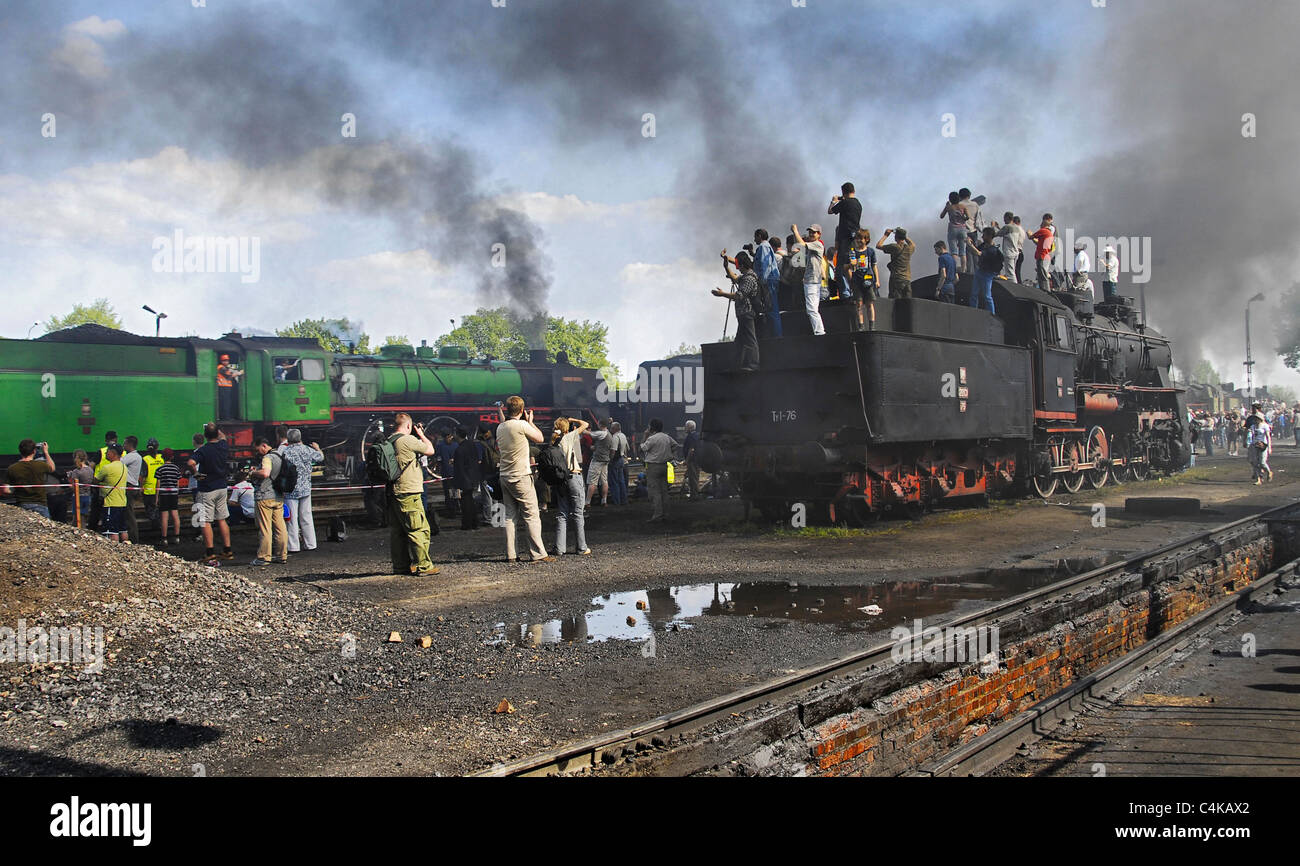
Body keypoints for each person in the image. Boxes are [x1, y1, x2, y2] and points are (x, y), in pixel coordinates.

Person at [495, 397, 551, 562]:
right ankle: (538, 553)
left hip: (504, 475)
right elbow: (540, 438)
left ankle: (511, 554)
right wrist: (531, 422)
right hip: (521, 476)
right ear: (521, 410)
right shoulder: (521, 425)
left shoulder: (500, 427)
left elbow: (505, 423)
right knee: (531, 514)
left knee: (510, 516)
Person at [386, 413, 439, 575]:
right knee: (418, 528)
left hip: (392, 491)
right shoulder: (407, 440)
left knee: (398, 532)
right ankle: (424, 566)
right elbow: (430, 450)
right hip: (408, 490)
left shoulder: (388, 440)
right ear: (408, 426)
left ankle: (400, 566)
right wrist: (421, 434)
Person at [188, 423, 234, 561]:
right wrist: (216, 429)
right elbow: (223, 436)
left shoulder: (203, 450)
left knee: (205, 520)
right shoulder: (223, 446)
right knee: (222, 518)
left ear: (205, 436)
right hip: (222, 487)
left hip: (207, 488)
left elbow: (190, 463)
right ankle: (227, 550)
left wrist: (195, 474)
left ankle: (210, 552)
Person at [276, 429, 324, 553]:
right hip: (306, 488)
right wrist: (317, 448)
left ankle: (293, 546)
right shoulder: (307, 449)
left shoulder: (285, 451)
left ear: (288, 439)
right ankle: (311, 543)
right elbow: (320, 457)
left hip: (290, 489)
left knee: (291, 519)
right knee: (307, 516)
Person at [715, 250, 762, 370]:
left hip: (747, 312)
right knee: (739, 342)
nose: (737, 268)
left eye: (737, 265)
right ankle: (736, 365)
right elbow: (735, 278)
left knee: (750, 340)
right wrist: (726, 267)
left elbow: (739, 296)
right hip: (743, 313)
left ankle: (753, 364)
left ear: (742, 265)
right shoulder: (746, 277)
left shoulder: (749, 279)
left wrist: (722, 294)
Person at [552, 417, 592, 555]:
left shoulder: (554, 441)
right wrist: (572, 419)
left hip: (560, 480)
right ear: (566, 428)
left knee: (562, 513)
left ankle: (559, 548)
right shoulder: (568, 437)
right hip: (573, 476)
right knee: (577, 513)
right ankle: (581, 547)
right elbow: (586, 424)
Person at [247, 437, 288, 566]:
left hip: (265, 496)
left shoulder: (267, 458)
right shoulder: (280, 455)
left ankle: (264, 557)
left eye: (258, 449)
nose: (257, 452)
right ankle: (282, 555)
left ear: (264, 446)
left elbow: (265, 473)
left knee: (265, 528)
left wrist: (252, 473)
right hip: (278, 496)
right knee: (280, 528)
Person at [640, 418, 678, 523]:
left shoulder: (652, 438)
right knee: (664, 491)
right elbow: (675, 445)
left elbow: (643, 448)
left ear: (652, 427)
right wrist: (672, 456)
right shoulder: (667, 437)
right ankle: (666, 514)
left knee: (655, 492)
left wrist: (645, 436)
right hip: (665, 465)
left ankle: (657, 515)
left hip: (653, 467)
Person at [791, 223, 826, 335]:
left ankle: (819, 332)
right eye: (810, 232)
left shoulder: (818, 244)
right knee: (812, 309)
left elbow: (801, 244)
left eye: (813, 232)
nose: (811, 234)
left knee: (811, 310)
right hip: (811, 280)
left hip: (812, 281)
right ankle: (819, 331)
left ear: (819, 234)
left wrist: (795, 231)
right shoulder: (813, 247)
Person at [5, 439, 55, 518]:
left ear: (20, 451)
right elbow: (52, 468)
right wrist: (46, 452)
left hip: (22, 505)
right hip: (40, 504)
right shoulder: (40, 465)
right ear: (34, 451)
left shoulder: (12, 468)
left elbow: (6, 490)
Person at [94, 445, 129, 542]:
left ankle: (115, 552)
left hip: (110, 503)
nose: (105, 454)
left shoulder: (107, 468)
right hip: (122, 502)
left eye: (107, 452)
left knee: (111, 532)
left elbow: (95, 481)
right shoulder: (124, 467)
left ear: (113, 453)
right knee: (123, 529)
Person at [751, 229, 782, 337]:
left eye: (755, 237)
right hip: (771, 279)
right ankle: (776, 334)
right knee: (772, 308)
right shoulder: (766, 247)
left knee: (772, 308)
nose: (754, 239)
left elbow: (765, 264)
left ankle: (778, 336)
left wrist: (763, 281)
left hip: (769, 280)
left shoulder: (763, 247)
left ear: (759, 236)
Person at [964, 227, 1003, 314]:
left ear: (989, 236)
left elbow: (978, 253)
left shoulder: (993, 250)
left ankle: (992, 314)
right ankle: (973, 311)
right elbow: (975, 250)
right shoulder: (984, 245)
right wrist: (970, 243)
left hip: (988, 274)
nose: (982, 237)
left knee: (987, 296)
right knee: (974, 293)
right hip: (980, 271)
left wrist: (969, 244)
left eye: (984, 235)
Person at [828, 182, 863, 276]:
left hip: (845, 238)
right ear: (853, 191)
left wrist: (834, 201)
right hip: (856, 237)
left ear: (843, 192)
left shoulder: (845, 203)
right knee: (853, 262)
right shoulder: (858, 204)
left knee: (843, 265)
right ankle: (854, 285)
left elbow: (830, 211)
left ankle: (847, 287)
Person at [452, 427, 482, 530]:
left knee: (465, 503)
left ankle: (467, 524)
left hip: (464, 480)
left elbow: (459, 469)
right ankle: (474, 522)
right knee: (470, 501)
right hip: (473, 477)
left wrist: (456, 484)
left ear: (457, 435)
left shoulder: (459, 450)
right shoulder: (471, 444)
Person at [154, 448, 183, 547]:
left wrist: (156, 498)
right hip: (173, 494)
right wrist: (177, 494)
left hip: (164, 495)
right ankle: (177, 537)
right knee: (175, 515)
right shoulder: (176, 468)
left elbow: (158, 484)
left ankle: (164, 538)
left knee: (164, 517)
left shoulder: (160, 469)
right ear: (172, 457)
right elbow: (178, 483)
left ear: (162, 457)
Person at [877, 228, 916, 299]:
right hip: (907, 279)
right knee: (907, 303)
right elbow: (913, 244)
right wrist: (904, 236)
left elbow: (878, 245)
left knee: (895, 302)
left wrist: (886, 235)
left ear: (896, 237)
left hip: (896, 279)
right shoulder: (909, 248)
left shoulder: (895, 247)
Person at [120, 436, 143, 544]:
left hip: (129, 486)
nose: (123, 446)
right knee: (128, 513)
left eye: (125, 444)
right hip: (132, 486)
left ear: (129, 445)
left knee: (129, 514)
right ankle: (131, 536)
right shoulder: (137, 456)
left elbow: (118, 462)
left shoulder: (131, 456)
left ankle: (133, 538)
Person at [585, 418, 613, 507]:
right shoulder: (609, 434)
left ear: (600, 424)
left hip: (597, 460)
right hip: (605, 459)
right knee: (604, 481)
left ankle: (587, 502)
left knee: (592, 481)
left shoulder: (601, 433)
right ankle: (604, 501)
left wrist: (582, 428)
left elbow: (588, 433)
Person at [941, 192, 971, 274]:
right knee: (963, 251)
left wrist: (946, 206)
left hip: (952, 229)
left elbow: (941, 216)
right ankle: (963, 269)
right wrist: (962, 218)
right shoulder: (963, 206)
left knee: (953, 251)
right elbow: (968, 217)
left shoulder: (949, 207)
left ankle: (954, 269)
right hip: (962, 229)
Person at [140, 438, 164, 528]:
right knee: (159, 509)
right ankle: (158, 527)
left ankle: (155, 526)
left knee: (151, 510)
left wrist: (141, 486)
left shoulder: (145, 459)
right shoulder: (161, 458)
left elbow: (143, 475)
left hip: (149, 489)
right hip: (160, 489)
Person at [1245, 405, 1272, 484]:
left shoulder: (1265, 426)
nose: (1255, 420)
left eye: (1256, 418)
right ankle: (1259, 479)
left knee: (1262, 462)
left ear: (1260, 419)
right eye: (1255, 418)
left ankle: (1269, 472)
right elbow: (1250, 433)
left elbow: (1268, 437)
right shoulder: (1253, 426)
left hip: (1263, 445)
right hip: (1255, 444)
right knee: (1255, 462)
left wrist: (1269, 447)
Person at [994, 212, 1024, 282]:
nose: (1003, 220)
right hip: (1015, 252)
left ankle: (1014, 288)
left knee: (1010, 274)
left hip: (1009, 252)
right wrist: (998, 227)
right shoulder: (1016, 228)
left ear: (1007, 217)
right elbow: (1007, 233)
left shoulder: (1007, 227)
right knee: (1013, 272)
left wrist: (992, 227)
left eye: (1004, 218)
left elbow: (996, 234)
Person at [1029, 214, 1056, 290]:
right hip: (1046, 256)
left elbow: (1031, 237)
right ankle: (1044, 290)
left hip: (1042, 256)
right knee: (1042, 275)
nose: (1040, 224)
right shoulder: (1049, 232)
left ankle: (1046, 292)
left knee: (1042, 276)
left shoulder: (1044, 231)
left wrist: (1029, 233)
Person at [435, 431, 459, 515]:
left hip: (448, 472)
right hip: (452, 472)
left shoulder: (440, 446)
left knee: (450, 491)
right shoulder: (455, 445)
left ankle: (452, 508)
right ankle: (454, 507)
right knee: (453, 491)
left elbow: (438, 458)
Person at [69, 449, 94, 525]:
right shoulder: (90, 470)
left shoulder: (76, 471)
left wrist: (69, 478)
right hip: (87, 496)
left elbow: (73, 487)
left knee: (77, 519)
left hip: (78, 497)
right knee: (83, 518)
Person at [216, 354, 244, 420]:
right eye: (224, 360)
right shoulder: (221, 367)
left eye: (227, 360)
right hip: (223, 387)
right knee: (225, 403)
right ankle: (226, 417)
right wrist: (240, 373)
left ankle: (226, 416)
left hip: (226, 387)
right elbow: (229, 376)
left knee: (227, 402)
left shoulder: (226, 368)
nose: (226, 362)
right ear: (221, 361)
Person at [608, 421, 630, 506]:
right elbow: (627, 448)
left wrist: (610, 460)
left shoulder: (615, 437)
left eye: (611, 428)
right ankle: (624, 500)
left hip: (616, 460)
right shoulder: (623, 435)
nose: (610, 429)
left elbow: (613, 451)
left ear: (614, 429)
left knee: (614, 481)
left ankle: (617, 501)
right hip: (622, 460)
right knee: (621, 481)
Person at [682, 420, 700, 498]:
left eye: (686, 426)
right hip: (694, 460)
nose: (685, 428)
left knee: (693, 478)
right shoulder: (695, 435)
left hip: (692, 461)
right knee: (693, 477)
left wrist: (687, 460)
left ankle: (695, 496)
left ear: (690, 427)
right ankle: (694, 495)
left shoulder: (691, 436)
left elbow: (691, 449)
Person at [1012, 216, 1026, 283]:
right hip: (1020, 252)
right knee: (1017, 272)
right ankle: (1019, 285)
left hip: (1016, 252)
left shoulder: (1016, 229)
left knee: (1013, 272)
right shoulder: (1022, 230)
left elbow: (1009, 235)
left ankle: (1016, 286)